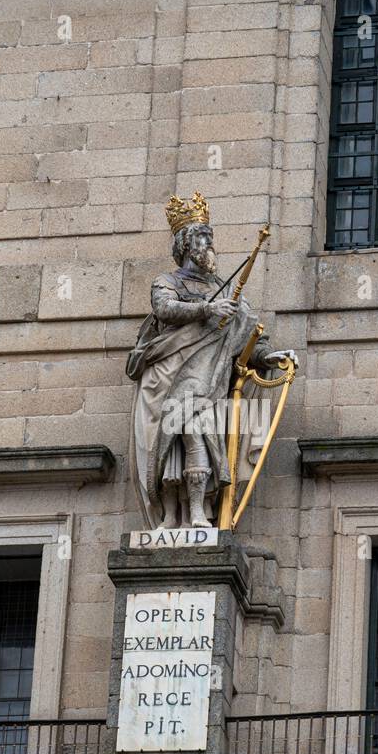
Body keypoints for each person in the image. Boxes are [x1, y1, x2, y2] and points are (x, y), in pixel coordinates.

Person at [126, 192, 296, 528]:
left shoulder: (226, 287)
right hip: (170, 376)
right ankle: (176, 516)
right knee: (176, 441)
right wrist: (207, 309)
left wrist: (268, 356)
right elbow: (165, 309)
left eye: (210, 236)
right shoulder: (167, 282)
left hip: (210, 381)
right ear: (186, 245)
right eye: (202, 236)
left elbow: (247, 337)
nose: (209, 243)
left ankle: (198, 513)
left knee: (198, 432)